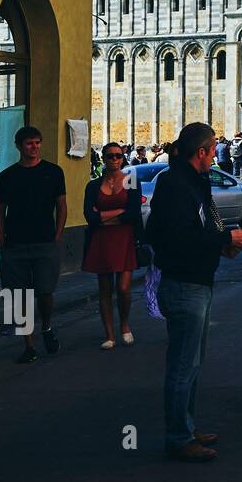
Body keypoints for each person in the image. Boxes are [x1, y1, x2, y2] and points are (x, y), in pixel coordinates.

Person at [146, 123, 242, 462]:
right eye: (211, 150)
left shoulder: (198, 181)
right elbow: (178, 237)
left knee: (192, 363)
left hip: (200, 280)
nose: (214, 156)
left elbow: (212, 223)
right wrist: (223, 241)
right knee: (182, 365)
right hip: (182, 283)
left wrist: (227, 243)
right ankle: (178, 437)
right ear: (203, 152)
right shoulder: (173, 185)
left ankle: (187, 427)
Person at [0, 125, 68, 363]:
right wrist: (2, 241)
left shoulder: (53, 172)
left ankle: (46, 326)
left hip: (45, 243)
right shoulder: (8, 176)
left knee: (45, 291)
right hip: (16, 245)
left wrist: (57, 235)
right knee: (20, 296)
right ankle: (29, 345)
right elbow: (0, 211)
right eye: (28, 143)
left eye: (37, 142)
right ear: (18, 146)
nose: (33, 148)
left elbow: (62, 205)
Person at [82, 141, 142, 349]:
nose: (115, 159)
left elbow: (132, 213)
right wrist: (118, 213)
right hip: (102, 241)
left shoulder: (130, 181)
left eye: (118, 156)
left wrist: (104, 216)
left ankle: (124, 325)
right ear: (104, 158)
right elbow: (90, 216)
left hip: (125, 238)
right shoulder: (93, 186)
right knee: (104, 289)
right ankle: (109, 335)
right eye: (110, 156)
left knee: (124, 288)